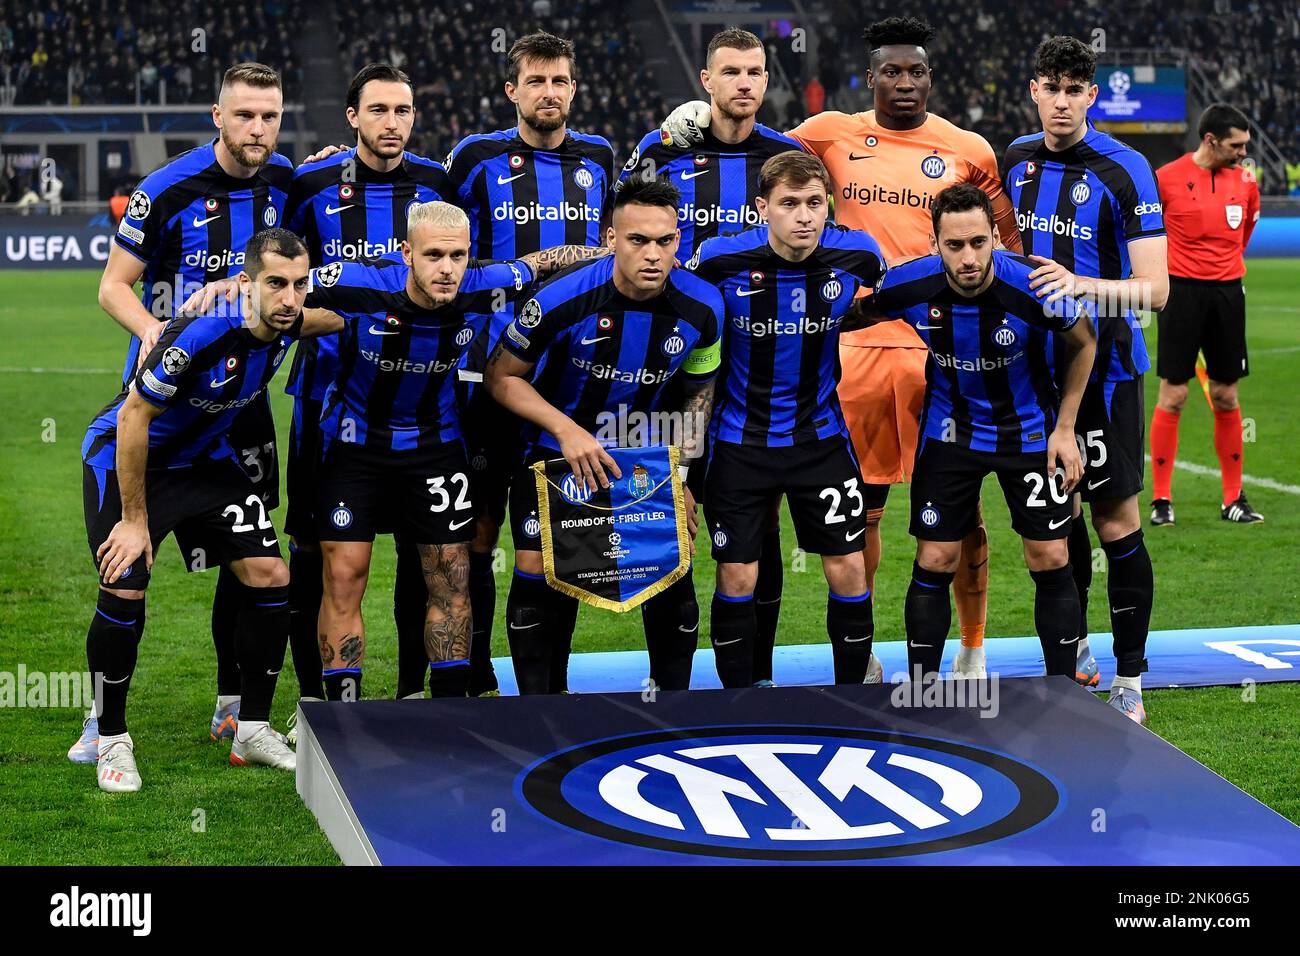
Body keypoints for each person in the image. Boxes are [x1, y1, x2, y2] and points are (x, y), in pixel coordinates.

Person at [660, 16, 1024, 681]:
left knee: (961, 510)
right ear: (872, 75)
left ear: (930, 77)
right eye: (892, 70)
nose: (904, 82)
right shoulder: (827, 131)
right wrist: (685, 121)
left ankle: (970, 646)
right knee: (863, 518)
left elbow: (1004, 247)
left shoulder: (969, 148)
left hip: (940, 358)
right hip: (849, 361)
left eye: (916, 71)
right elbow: (754, 142)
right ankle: (851, 665)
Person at [69, 62, 293, 764]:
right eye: (245, 115)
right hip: (162, 401)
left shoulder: (285, 178)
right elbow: (113, 287)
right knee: (129, 573)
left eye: (270, 116)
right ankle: (103, 726)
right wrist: (157, 336)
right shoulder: (166, 188)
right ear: (217, 116)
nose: (258, 130)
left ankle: (236, 714)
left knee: (249, 564)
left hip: (237, 412)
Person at [78, 229, 312, 792]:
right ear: (246, 284)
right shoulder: (200, 334)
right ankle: (110, 737)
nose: (289, 298)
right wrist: (136, 522)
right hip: (130, 458)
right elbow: (135, 417)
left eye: (299, 285)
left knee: (270, 574)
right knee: (126, 581)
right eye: (275, 284)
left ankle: (251, 729)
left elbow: (345, 304)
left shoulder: (292, 317)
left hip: (207, 462)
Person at [485, 176, 723, 695]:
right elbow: (501, 377)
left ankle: (671, 705)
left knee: (671, 567)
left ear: (679, 239)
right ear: (611, 239)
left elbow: (696, 396)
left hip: (647, 457)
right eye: (638, 240)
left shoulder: (704, 308)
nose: (653, 254)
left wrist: (681, 477)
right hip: (555, 450)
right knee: (538, 566)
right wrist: (567, 430)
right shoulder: (560, 297)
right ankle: (543, 705)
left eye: (664, 240)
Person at [619, 27, 801, 685]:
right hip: (669, 371)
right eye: (731, 72)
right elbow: (620, 237)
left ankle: (754, 675)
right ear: (707, 81)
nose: (746, 83)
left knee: (754, 524)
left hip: (759, 374)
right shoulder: (659, 153)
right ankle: (667, 678)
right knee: (669, 521)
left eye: (755, 71)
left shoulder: (788, 155)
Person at [301, 202, 538, 701]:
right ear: (407, 252)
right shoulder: (356, 281)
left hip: (435, 449)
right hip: (354, 449)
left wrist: (606, 253)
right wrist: (229, 288)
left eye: (457, 255)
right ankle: (344, 715)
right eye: (433, 255)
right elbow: (279, 283)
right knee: (344, 578)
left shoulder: (483, 283)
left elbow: (545, 262)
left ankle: (449, 711)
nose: (447, 268)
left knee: (451, 580)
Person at [865, 185, 1096, 684]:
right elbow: (850, 313)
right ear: (935, 244)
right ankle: (926, 691)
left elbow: (1083, 345)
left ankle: (1062, 692)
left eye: (977, 242)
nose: (968, 258)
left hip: (1029, 432)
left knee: (1051, 554)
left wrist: (1065, 428)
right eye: (954, 246)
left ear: (995, 236)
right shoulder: (910, 286)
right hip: (950, 435)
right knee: (936, 557)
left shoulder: (1033, 285)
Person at [281, 63, 455, 720]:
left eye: (403, 110)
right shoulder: (312, 184)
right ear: (351, 117)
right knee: (315, 552)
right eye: (377, 110)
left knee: (423, 549)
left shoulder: (437, 184)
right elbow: (277, 270)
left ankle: (414, 688)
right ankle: (311, 705)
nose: (392, 123)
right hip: (326, 403)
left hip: (417, 400)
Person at [1003, 36, 1167, 721]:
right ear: (1034, 90)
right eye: (1052, 86)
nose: (1063, 100)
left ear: (1092, 96)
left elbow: (1155, 291)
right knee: (1053, 519)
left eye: (1076, 89)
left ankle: (1131, 675)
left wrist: (1081, 285)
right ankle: (1073, 657)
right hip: (1033, 377)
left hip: (1107, 375)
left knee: (1115, 518)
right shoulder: (1013, 161)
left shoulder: (1126, 170)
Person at [445, 31, 614, 694]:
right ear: (512, 89)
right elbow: (444, 257)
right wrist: (531, 265)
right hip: (488, 370)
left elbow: (616, 243)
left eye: (561, 81)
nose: (550, 93)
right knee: (481, 530)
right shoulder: (475, 157)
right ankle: (481, 674)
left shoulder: (600, 157)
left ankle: (554, 683)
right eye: (537, 82)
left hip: (573, 375)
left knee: (564, 533)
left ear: (574, 87)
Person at [686, 151, 884, 687]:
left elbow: (886, 300)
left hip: (820, 441)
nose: (803, 216)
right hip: (739, 442)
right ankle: (742, 699)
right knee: (737, 573)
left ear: (829, 207)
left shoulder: (859, 255)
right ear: (761, 209)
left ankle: (852, 697)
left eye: (814, 203)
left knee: (847, 567)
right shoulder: (719, 260)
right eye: (789, 204)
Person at [1151, 104, 1263, 525]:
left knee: (1226, 395)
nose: (1242, 152)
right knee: (1174, 395)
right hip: (1180, 294)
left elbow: (1244, 233)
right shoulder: (1167, 178)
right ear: (1211, 140)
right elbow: (1149, 234)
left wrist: (1222, 269)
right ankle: (1162, 500)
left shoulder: (1247, 181)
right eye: (1236, 145)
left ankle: (1234, 498)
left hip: (1228, 294)